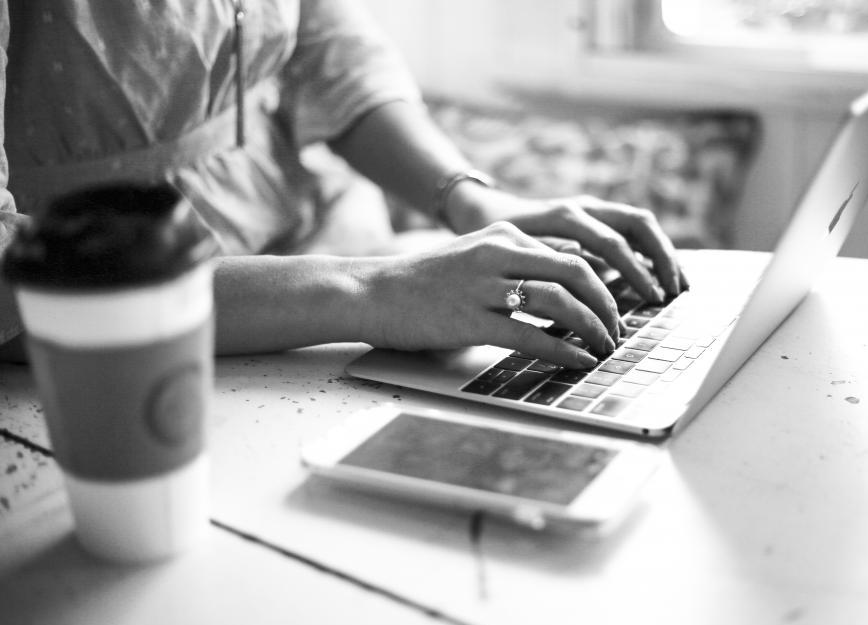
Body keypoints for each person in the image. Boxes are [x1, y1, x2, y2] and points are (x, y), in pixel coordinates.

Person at [0, 0, 686, 368]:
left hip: (318, 245)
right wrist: (374, 290)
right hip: (120, 319)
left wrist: (470, 196)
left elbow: (330, 49)